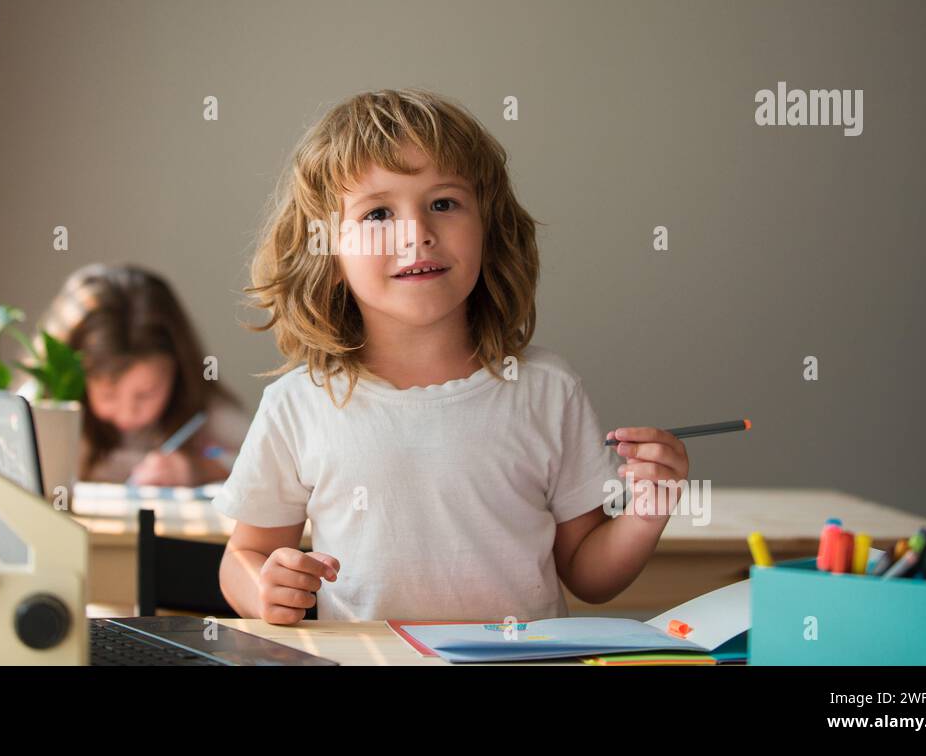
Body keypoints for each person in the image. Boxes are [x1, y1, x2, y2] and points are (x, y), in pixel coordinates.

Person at [214, 88, 690, 623]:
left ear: (490, 227)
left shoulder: (548, 389)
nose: (417, 234)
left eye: (443, 203)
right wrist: (265, 590)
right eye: (377, 214)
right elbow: (243, 555)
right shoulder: (298, 403)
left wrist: (645, 516)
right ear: (326, 249)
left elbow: (587, 574)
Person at [38, 263, 249, 485]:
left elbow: (261, 458)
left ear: (178, 370)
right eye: (108, 395)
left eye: (146, 394)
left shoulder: (201, 406)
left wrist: (198, 468)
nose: (128, 413)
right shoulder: (46, 407)